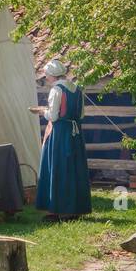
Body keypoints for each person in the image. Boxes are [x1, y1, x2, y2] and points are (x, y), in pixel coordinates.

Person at [35, 59, 90, 220]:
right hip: (75, 134)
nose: (46, 79)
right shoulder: (77, 89)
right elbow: (81, 115)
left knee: (58, 168)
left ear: (51, 76)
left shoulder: (56, 90)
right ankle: (74, 209)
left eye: (46, 76)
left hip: (60, 133)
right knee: (73, 169)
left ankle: (56, 209)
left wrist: (41, 112)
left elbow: (53, 116)